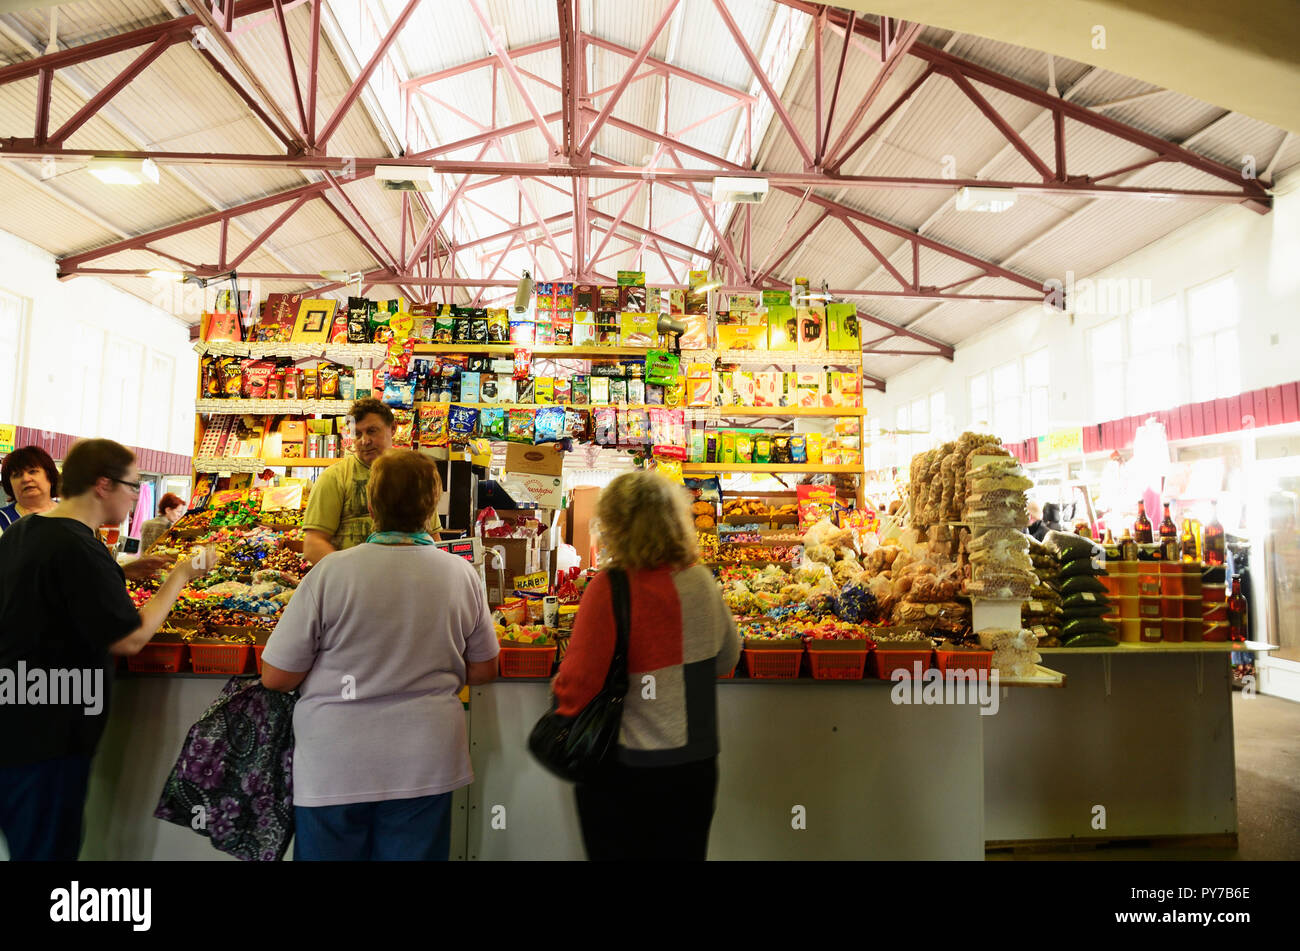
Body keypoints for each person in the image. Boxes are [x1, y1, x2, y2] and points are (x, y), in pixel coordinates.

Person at [261, 450, 498, 861]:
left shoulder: (330, 572)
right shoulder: (460, 574)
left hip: (334, 762)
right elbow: (483, 669)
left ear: (370, 506)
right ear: (431, 509)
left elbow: (276, 676)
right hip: (425, 761)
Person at [0, 438, 215, 860]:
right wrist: (181, 576)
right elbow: (130, 638)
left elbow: (56, 596)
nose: (136, 497)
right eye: (133, 486)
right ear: (103, 485)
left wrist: (119, 571)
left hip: (18, 722)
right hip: (46, 739)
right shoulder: (77, 546)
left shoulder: (26, 532)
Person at [551, 471, 742, 861]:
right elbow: (728, 658)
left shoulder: (609, 588)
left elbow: (578, 687)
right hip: (694, 769)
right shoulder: (702, 582)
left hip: (623, 771)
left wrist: (558, 693)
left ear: (616, 525)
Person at [301, 397, 395, 564]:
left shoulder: (412, 475)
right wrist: (348, 576)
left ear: (392, 429)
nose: (365, 441)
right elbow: (313, 544)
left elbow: (432, 537)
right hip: (350, 585)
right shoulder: (333, 477)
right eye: (357, 434)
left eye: (372, 431)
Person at [0, 445, 60, 531]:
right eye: (17, 475)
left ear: (49, 476)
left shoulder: (73, 515)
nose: (25, 479)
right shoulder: (2, 519)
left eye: (32, 471)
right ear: (9, 484)